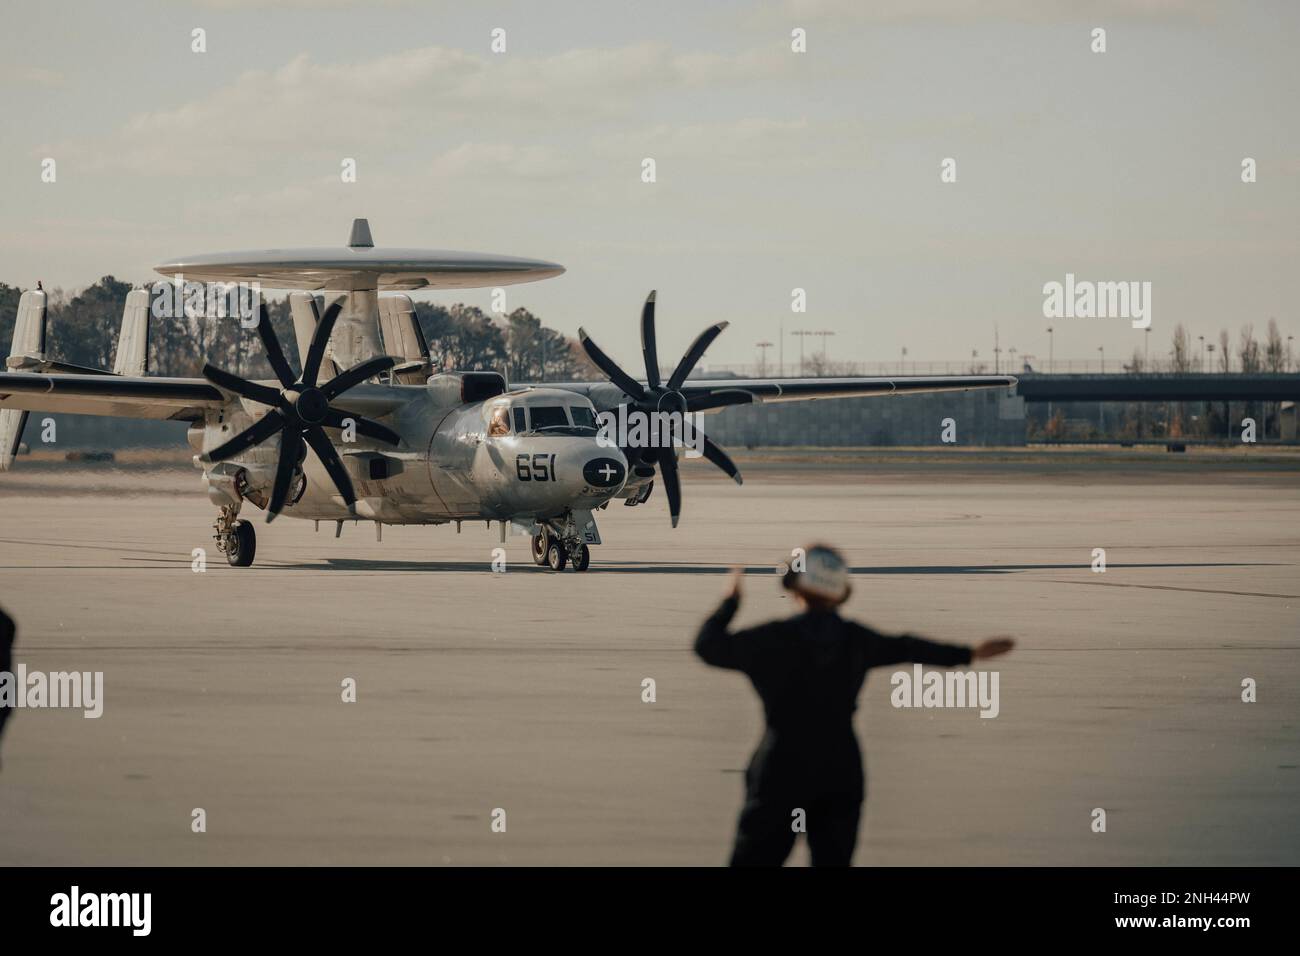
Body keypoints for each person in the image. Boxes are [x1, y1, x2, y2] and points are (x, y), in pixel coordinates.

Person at [694, 544, 1014, 867]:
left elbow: (708, 646)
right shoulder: (856, 640)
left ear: (792, 587)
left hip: (781, 768)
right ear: (839, 591)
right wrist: (969, 654)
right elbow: (907, 646)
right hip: (840, 767)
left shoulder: (769, 640)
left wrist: (731, 600)